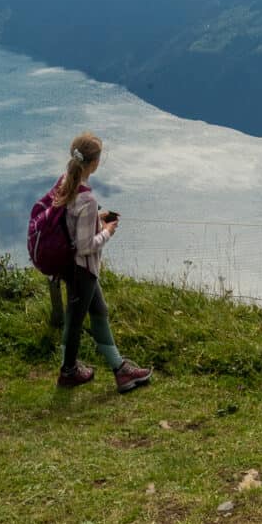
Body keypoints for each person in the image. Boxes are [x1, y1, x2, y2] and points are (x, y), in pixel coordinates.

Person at [54, 132, 153, 393]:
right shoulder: (87, 199)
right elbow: (86, 245)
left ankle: (119, 370)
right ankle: (70, 372)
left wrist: (98, 216)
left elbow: (72, 225)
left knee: (99, 312)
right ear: (95, 163)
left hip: (72, 267)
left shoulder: (65, 183)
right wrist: (107, 230)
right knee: (76, 320)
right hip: (82, 270)